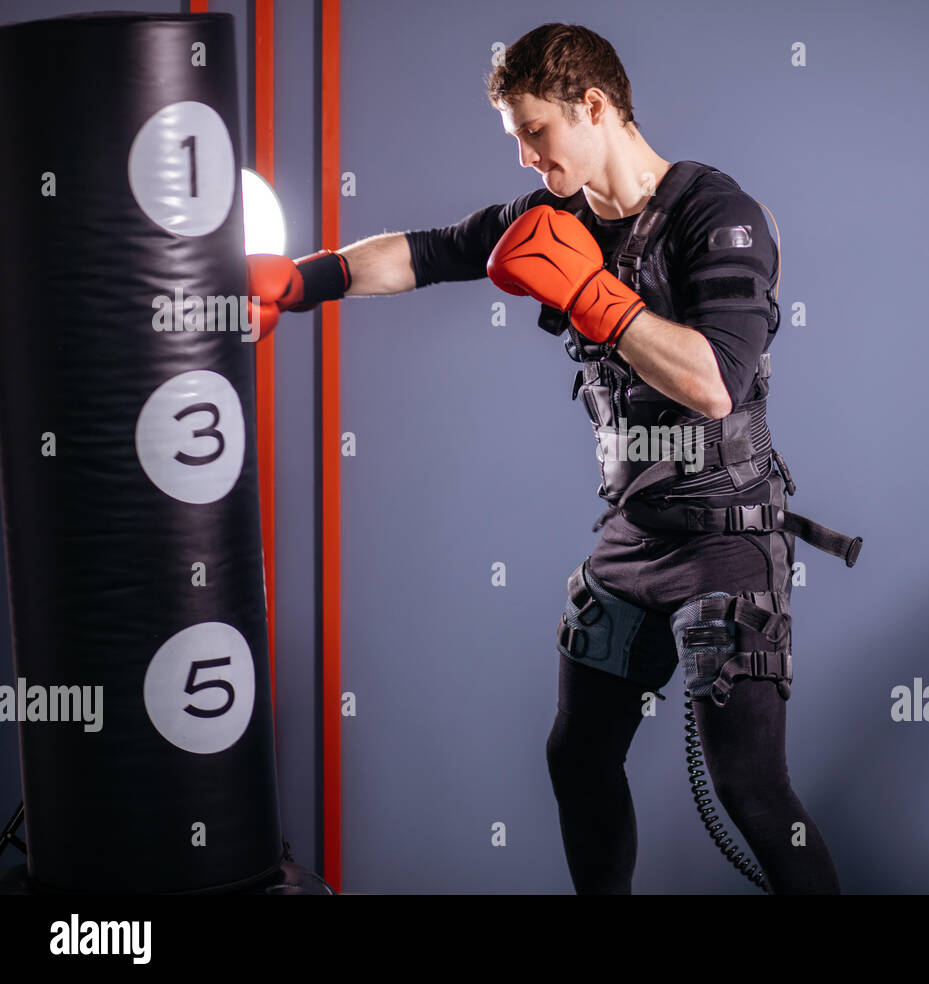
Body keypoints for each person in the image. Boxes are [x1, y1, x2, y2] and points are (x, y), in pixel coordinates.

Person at [247, 22, 860, 894]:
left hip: (725, 539)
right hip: (631, 538)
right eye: (518, 140)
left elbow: (717, 381)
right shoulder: (553, 217)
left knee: (751, 789)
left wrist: (592, 295)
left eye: (537, 132)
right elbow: (426, 252)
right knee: (577, 759)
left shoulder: (716, 216)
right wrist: (306, 280)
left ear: (595, 106)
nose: (529, 158)